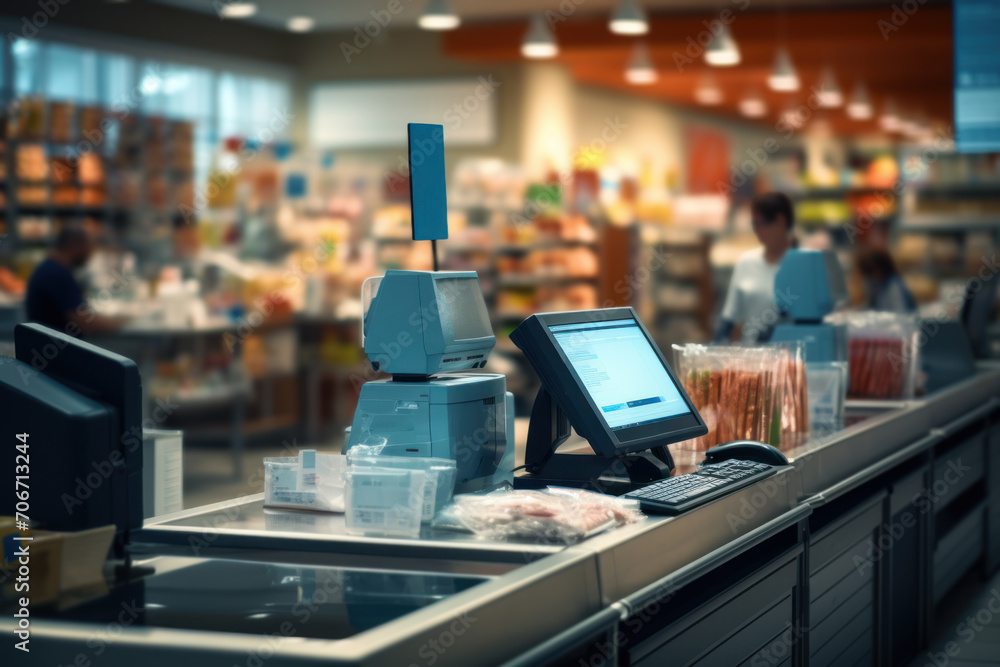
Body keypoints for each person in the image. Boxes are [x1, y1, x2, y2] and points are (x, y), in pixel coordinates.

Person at [715, 192, 796, 344]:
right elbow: (729, 317)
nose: (758, 231)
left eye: (762, 224)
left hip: (790, 357)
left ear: (781, 221)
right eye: (755, 224)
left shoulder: (803, 265)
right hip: (752, 357)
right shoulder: (747, 262)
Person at [25, 226, 128, 337]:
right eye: (89, 245)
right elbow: (83, 322)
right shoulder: (55, 274)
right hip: (58, 349)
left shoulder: (54, 268)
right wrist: (122, 321)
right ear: (74, 244)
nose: (91, 251)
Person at [856, 246, 916, 313]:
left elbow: (902, 313)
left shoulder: (894, 286)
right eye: (870, 274)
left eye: (875, 271)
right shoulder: (874, 283)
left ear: (882, 267)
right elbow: (869, 307)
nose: (874, 276)